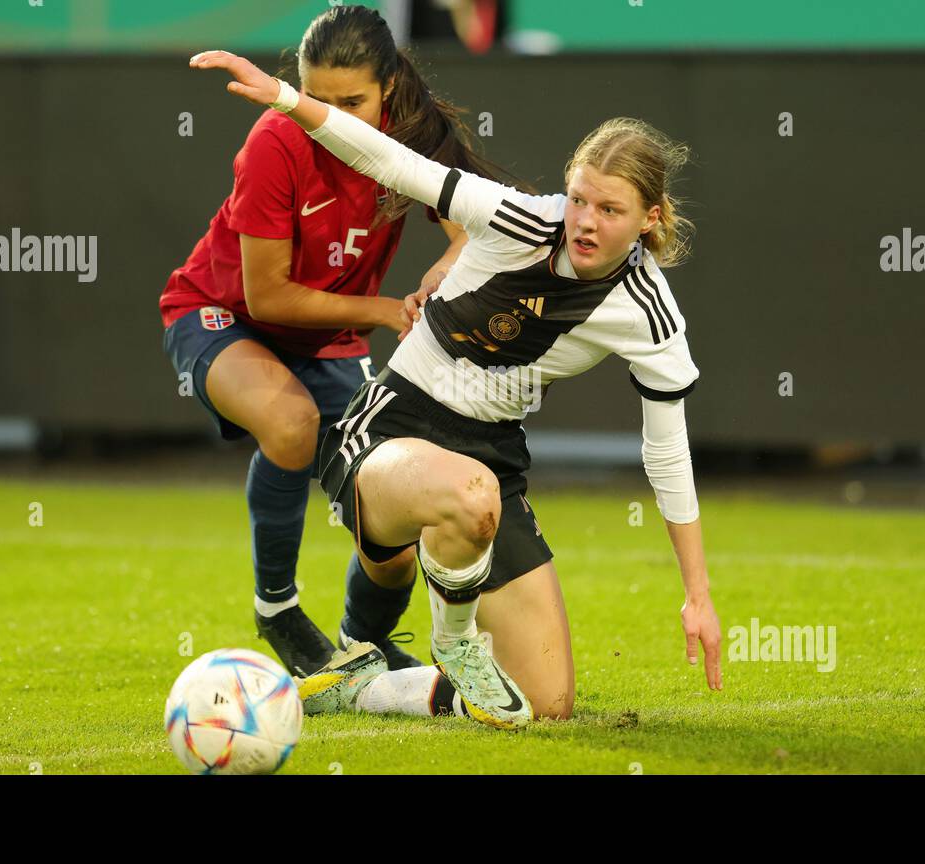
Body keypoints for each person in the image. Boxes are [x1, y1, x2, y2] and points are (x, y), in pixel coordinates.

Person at [190, 49, 724, 729]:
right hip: (389, 431)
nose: (585, 221)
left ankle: (363, 685)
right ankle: (454, 641)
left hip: (489, 456)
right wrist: (290, 100)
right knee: (467, 498)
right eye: (580, 199)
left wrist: (697, 594)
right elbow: (396, 164)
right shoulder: (520, 220)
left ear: (650, 218)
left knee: (546, 705)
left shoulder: (649, 311)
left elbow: (668, 455)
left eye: (610, 210)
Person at [161, 6, 508, 677]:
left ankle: (363, 642)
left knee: (391, 514)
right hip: (221, 316)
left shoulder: (414, 130)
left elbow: (473, 231)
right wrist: (384, 309)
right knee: (290, 423)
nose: (333, 117)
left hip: (329, 337)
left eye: (352, 101)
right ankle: (278, 610)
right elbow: (269, 297)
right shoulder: (275, 142)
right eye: (316, 98)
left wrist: (435, 282)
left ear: (388, 91)